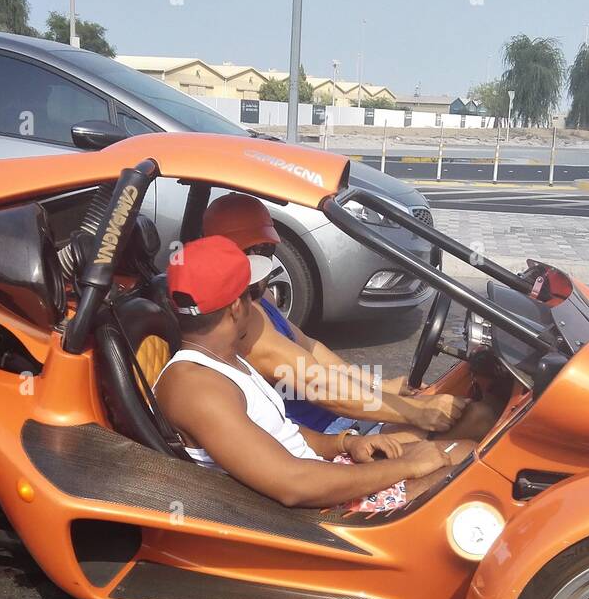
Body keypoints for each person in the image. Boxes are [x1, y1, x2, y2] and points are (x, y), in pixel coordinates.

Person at [154, 235, 474, 513]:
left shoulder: (226, 361)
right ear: (237, 306)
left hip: (323, 475)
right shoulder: (196, 386)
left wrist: (343, 443)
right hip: (320, 512)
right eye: (254, 294)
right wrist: (406, 466)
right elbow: (294, 485)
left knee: (468, 451)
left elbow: (284, 432)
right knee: (476, 468)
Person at [201, 193, 497, 443]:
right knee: (481, 418)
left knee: (464, 400)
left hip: (343, 414)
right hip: (328, 436)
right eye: (251, 251)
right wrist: (417, 412)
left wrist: (377, 385)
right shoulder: (243, 326)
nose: (261, 259)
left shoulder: (257, 298)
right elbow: (320, 386)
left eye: (264, 249)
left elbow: (311, 349)